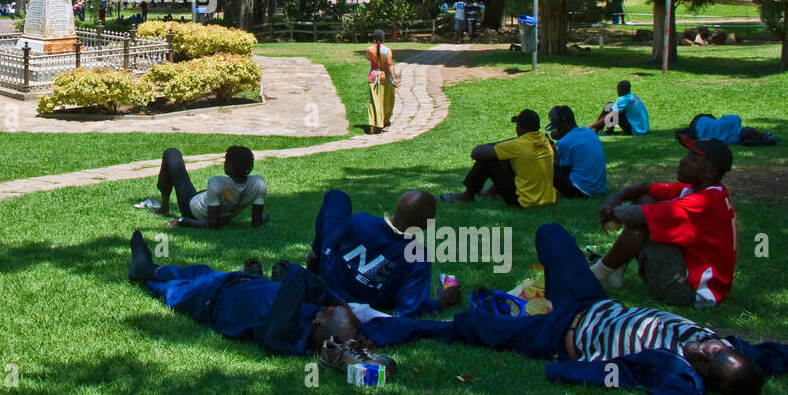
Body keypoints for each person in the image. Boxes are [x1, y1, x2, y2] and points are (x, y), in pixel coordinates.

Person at [449, 223, 788, 395]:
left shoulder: (675, 369)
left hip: (558, 335)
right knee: (549, 232)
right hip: (589, 301)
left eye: (704, 360)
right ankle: (595, 276)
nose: (701, 349)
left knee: (467, 324)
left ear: (701, 373)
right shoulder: (733, 350)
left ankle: (405, 324)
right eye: (712, 348)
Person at [127, 231, 452, 358]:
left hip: (208, 301)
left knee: (167, 283)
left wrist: (332, 298)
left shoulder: (282, 337)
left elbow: (298, 276)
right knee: (196, 268)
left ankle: (145, 270)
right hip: (234, 282)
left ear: (317, 321)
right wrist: (441, 312)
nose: (321, 308)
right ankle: (158, 267)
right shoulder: (312, 325)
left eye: (323, 310)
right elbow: (401, 327)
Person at [589, 133, 737, 308]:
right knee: (645, 200)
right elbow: (645, 187)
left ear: (710, 172)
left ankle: (598, 275)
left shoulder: (704, 202)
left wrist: (611, 211)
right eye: (686, 155)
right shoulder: (702, 190)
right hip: (690, 277)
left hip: (688, 292)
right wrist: (615, 199)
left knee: (643, 224)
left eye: (693, 159)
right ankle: (613, 270)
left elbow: (636, 215)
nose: (683, 161)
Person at [306, 189, 462, 318]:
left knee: (337, 196)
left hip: (330, 277)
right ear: (424, 225)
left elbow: (334, 244)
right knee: (337, 198)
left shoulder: (361, 220)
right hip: (364, 300)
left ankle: (314, 258)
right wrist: (441, 301)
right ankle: (315, 259)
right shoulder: (417, 257)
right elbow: (409, 310)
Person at [441, 109, 557, 208]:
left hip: (523, 201)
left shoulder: (517, 145)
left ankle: (467, 195)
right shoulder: (545, 141)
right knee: (506, 157)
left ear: (519, 128)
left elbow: (476, 153)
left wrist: (502, 143)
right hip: (547, 199)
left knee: (489, 160)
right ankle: (490, 191)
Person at [134, 146, 267, 229]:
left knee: (172, 154)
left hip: (191, 207)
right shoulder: (258, 183)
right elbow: (257, 222)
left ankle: (164, 208)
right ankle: (163, 208)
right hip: (213, 201)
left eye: (226, 161)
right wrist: (264, 217)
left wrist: (182, 221)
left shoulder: (217, 183)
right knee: (211, 193)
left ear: (230, 167)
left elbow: (212, 225)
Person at [546, 105, 607, 199]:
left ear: (566, 125)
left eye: (557, 128)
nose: (555, 131)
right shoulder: (589, 131)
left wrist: (552, 147)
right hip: (599, 189)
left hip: (580, 191)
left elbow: (563, 168)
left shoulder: (564, 142)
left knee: (543, 161)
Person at [365, 29, 397, 133]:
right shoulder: (387, 50)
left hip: (373, 77)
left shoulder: (370, 50)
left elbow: (368, 59)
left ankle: (374, 124)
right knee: (387, 100)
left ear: (374, 39)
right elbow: (390, 64)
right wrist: (394, 78)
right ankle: (384, 120)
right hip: (385, 78)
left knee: (374, 102)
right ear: (383, 39)